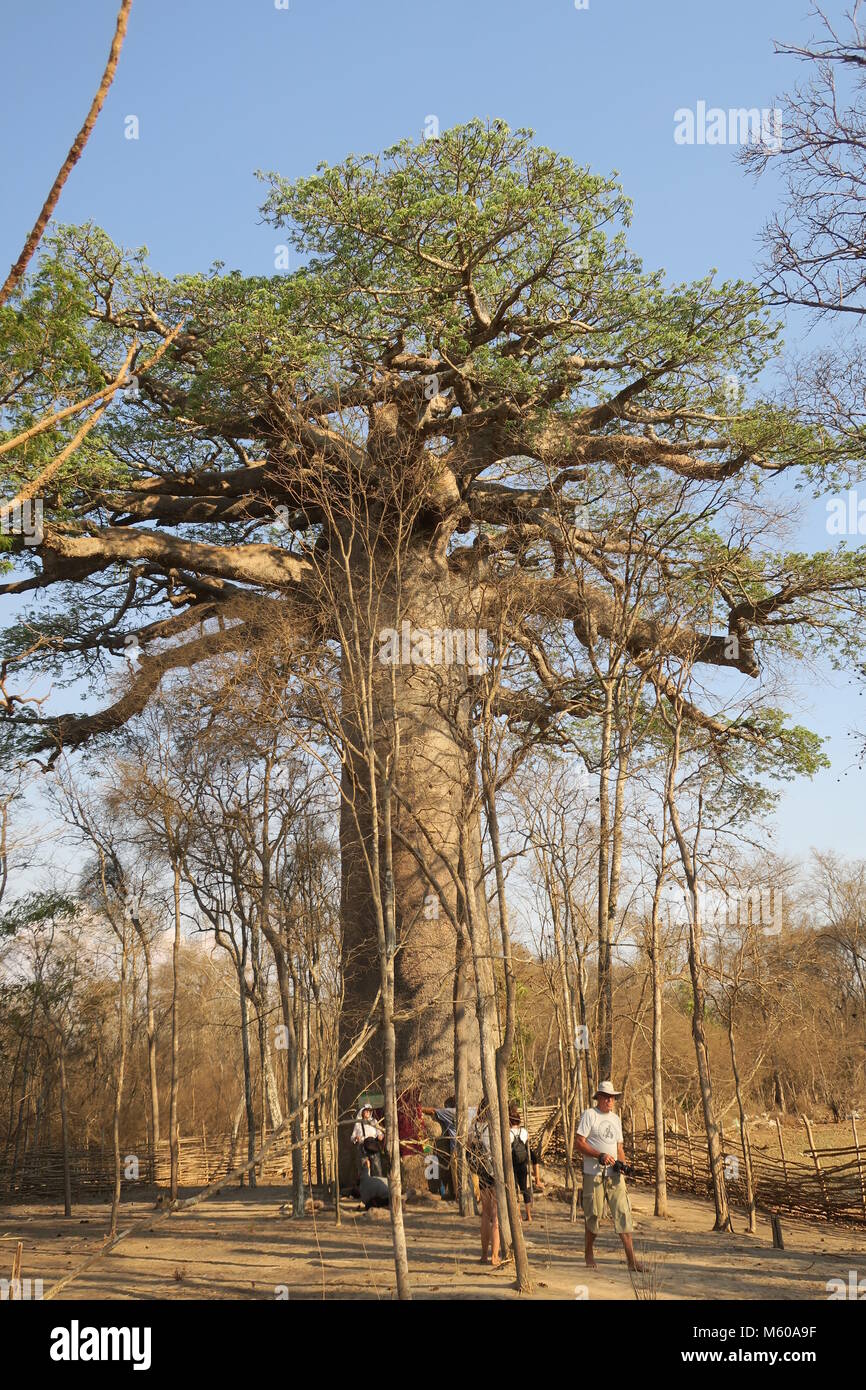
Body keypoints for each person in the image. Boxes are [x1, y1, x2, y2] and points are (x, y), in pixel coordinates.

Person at [575, 1081, 642, 1271]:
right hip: (593, 1174)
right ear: (599, 1098)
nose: (610, 1100)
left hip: (614, 1176)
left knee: (623, 1212)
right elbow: (579, 1143)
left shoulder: (616, 1119)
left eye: (612, 1097)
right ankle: (589, 1253)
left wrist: (623, 1165)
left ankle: (632, 1261)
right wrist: (599, 1155)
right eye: (606, 1097)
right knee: (593, 1215)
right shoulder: (590, 1115)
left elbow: (619, 1147)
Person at [468, 1096, 501, 1267]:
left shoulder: (473, 1126)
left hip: (481, 1173)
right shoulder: (496, 1127)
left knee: (485, 1214)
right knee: (496, 1216)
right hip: (495, 1172)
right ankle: (495, 1256)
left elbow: (468, 1146)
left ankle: (483, 1255)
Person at [421, 1095, 457, 1199]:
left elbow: (433, 1111)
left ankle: (457, 1197)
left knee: (453, 1175)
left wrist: (419, 1109)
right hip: (445, 1152)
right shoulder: (469, 1111)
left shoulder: (450, 1113)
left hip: (453, 1151)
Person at [508, 1104, 535, 1223]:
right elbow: (528, 1143)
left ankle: (518, 1215)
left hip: (512, 1165)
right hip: (523, 1164)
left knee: (514, 1190)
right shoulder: (524, 1131)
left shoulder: (508, 1133)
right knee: (525, 1189)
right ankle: (529, 1215)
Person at [351, 1104, 385, 1179]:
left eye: (369, 1111)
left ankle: (378, 1185)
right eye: (366, 1111)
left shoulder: (374, 1121)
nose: (368, 1113)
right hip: (362, 1148)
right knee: (364, 1169)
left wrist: (380, 1136)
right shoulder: (358, 1123)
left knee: (377, 1168)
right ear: (362, 1112)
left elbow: (380, 1133)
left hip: (373, 1146)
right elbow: (352, 1137)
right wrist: (356, 1138)